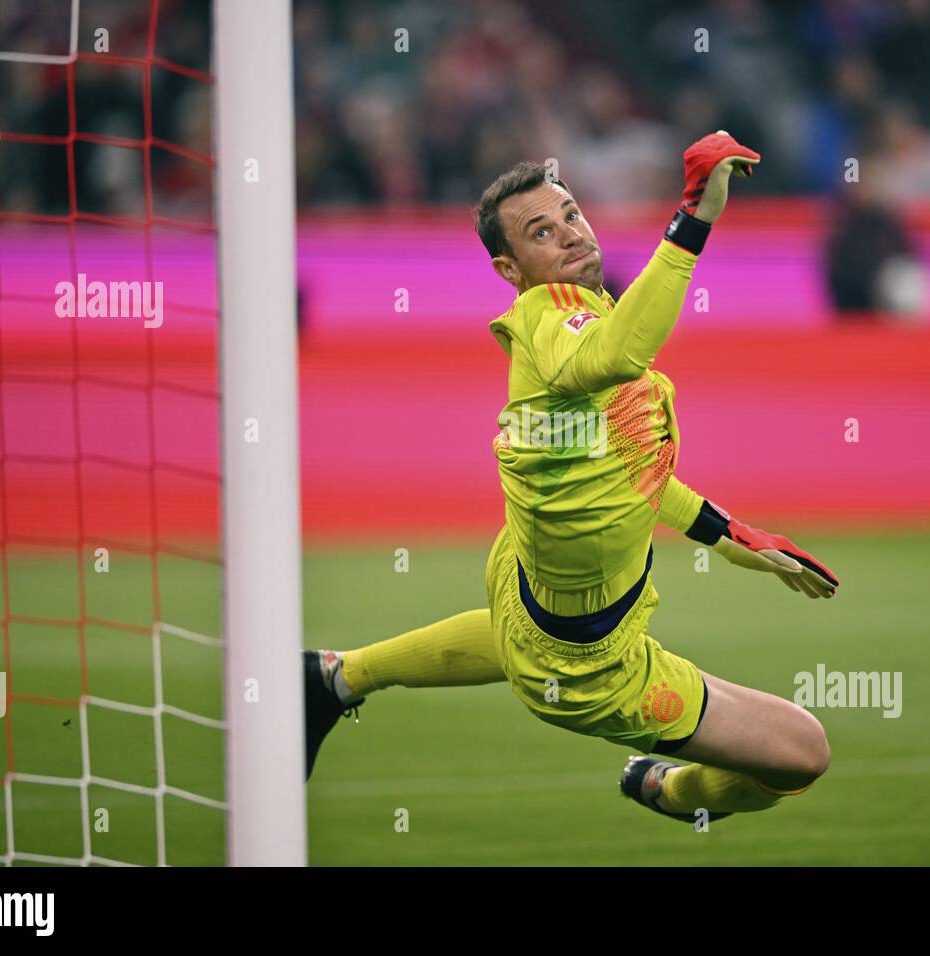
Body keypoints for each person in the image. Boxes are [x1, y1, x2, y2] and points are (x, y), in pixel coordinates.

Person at [305, 133, 840, 825]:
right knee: (802, 752)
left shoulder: (584, 316)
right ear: (510, 267)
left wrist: (732, 535)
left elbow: (630, 471)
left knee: (516, 631)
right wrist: (693, 219)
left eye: (571, 216)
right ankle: (671, 792)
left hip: (528, 588)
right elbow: (615, 360)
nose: (570, 236)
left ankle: (332, 677)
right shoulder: (551, 319)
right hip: (589, 666)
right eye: (541, 232)